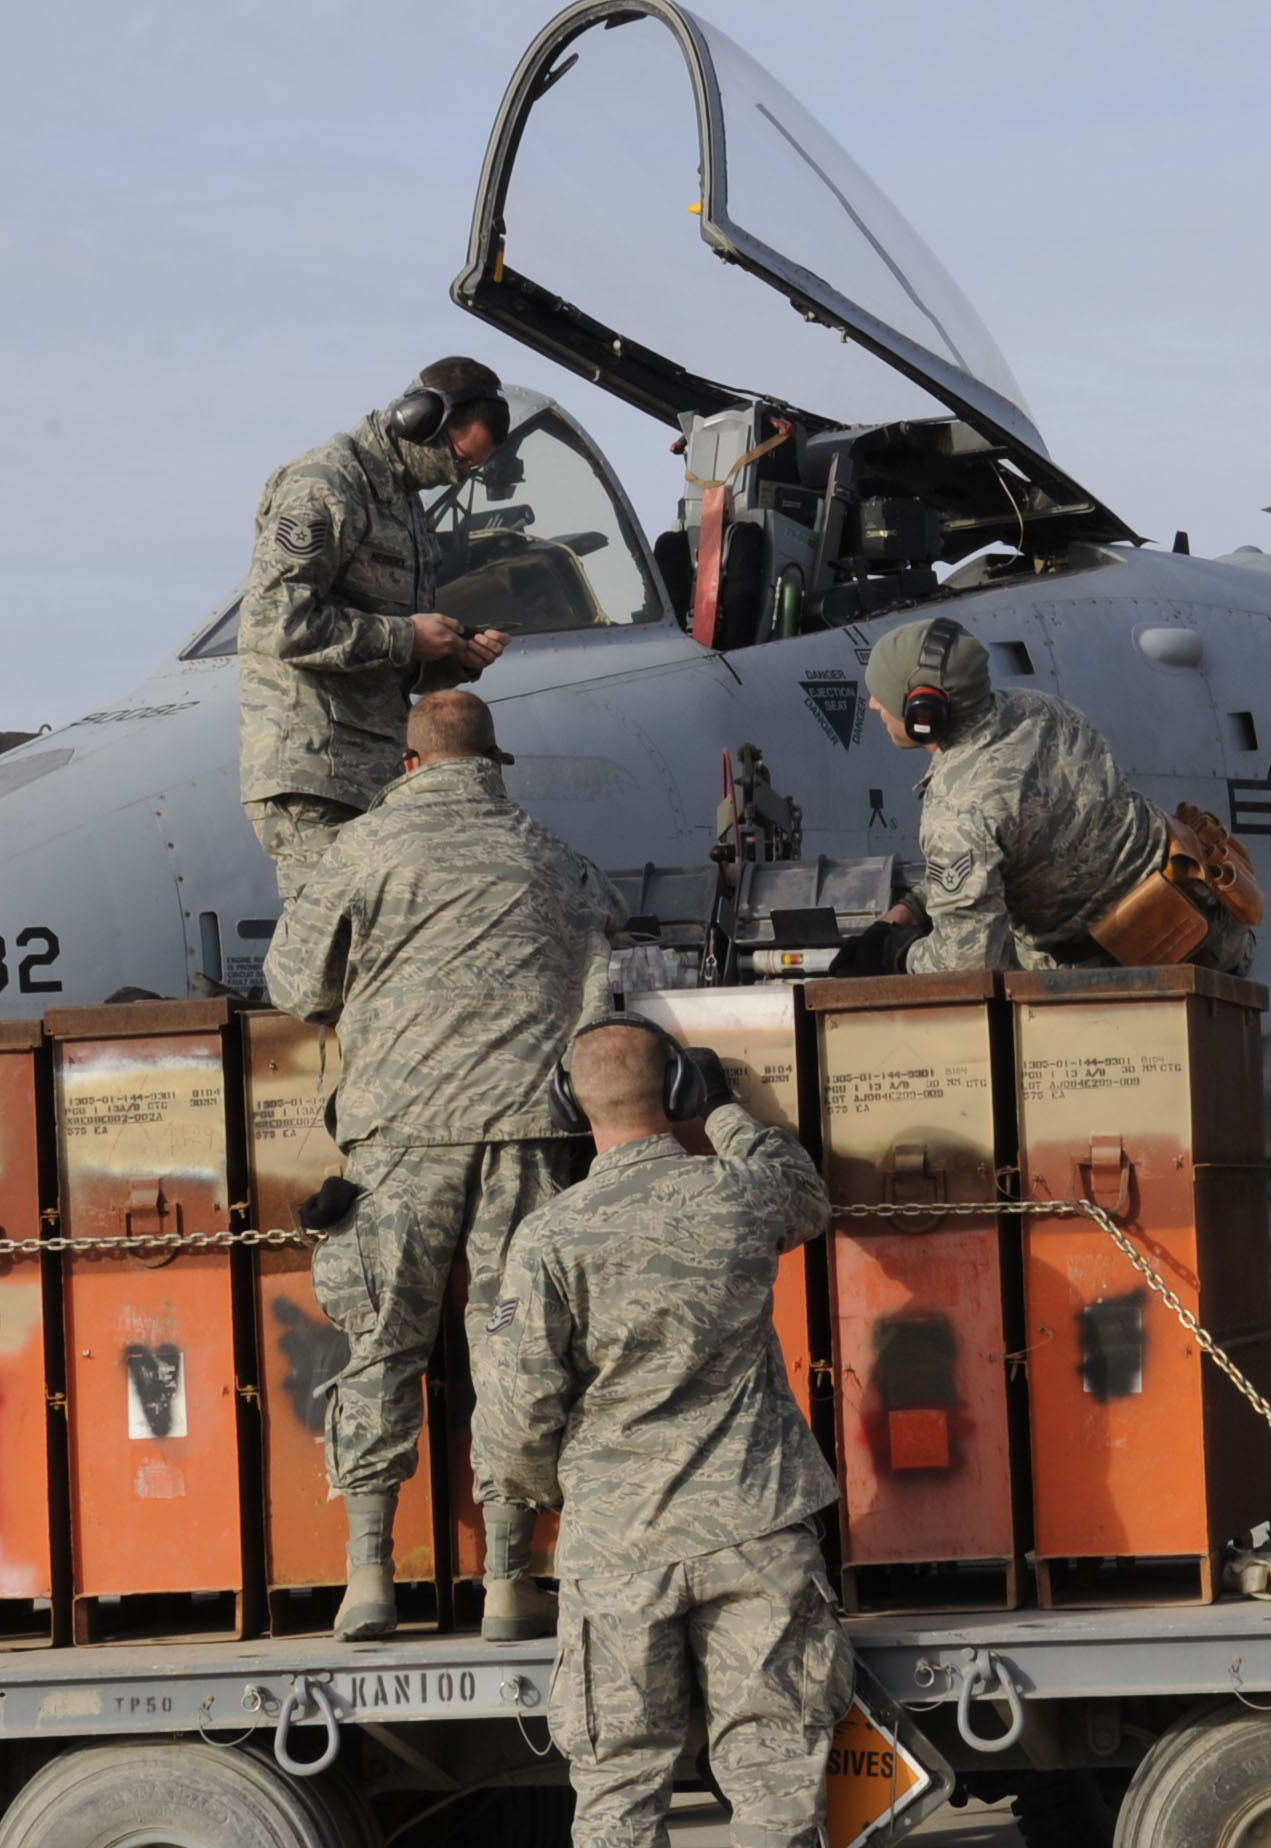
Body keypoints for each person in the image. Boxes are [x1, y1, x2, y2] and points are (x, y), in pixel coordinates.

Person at [263, 689, 623, 1643]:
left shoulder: (363, 850)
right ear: (493, 765)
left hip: (399, 1146)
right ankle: (510, 1584)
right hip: (528, 1145)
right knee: (514, 1346)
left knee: (381, 1345)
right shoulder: (551, 858)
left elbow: (296, 986)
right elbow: (610, 954)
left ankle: (370, 1581)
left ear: (409, 765)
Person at [498, 1017, 848, 1848]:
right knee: (775, 1777)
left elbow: (518, 1413)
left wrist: (567, 1494)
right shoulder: (735, 1191)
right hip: (754, 1525)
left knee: (619, 1787)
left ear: (569, 1102)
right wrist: (724, 1107)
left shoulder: (548, 1236)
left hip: (617, 1546)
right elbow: (804, 1193)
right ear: (679, 1093)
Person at [241, 356, 518, 905]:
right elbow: (280, 622)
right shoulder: (326, 485)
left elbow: (382, 647)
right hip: (316, 769)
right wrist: (405, 636)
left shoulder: (405, 505)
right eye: (462, 459)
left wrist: (455, 657)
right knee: (333, 944)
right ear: (419, 420)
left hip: (374, 770)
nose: (460, 475)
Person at [841, 615, 1261, 975]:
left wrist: (896, 953)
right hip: (1208, 925)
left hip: (1135, 972)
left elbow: (966, 963)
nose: (875, 705)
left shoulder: (958, 809)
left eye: (885, 695)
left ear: (923, 714)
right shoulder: (1042, 710)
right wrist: (915, 905)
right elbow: (1032, 845)